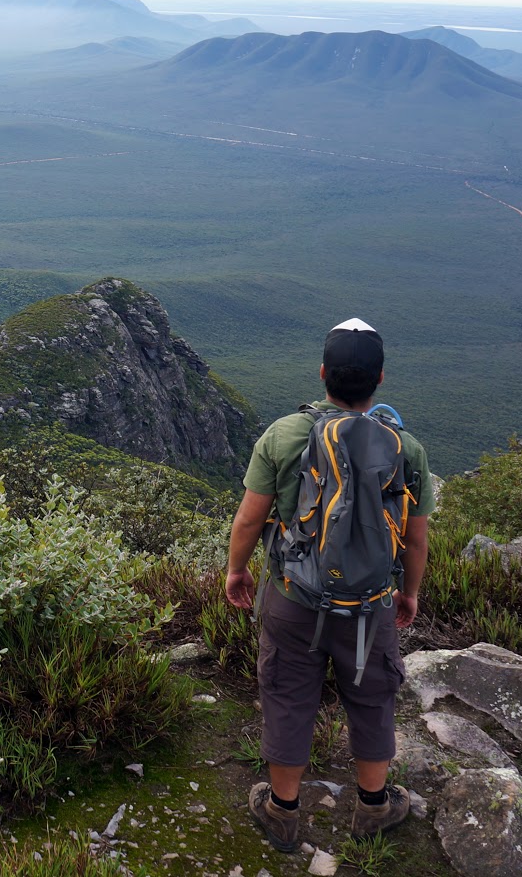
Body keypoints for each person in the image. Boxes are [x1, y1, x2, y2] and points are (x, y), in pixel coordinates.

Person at [223, 318, 434, 851]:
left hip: (295, 597)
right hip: (370, 604)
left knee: (289, 695)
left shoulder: (285, 434)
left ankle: (283, 811)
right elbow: (414, 540)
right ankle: (374, 808)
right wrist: (407, 594)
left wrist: (236, 571)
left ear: (322, 373)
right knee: (372, 698)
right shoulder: (405, 447)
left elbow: (249, 520)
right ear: (379, 379)